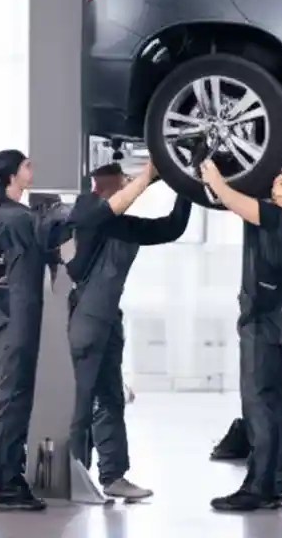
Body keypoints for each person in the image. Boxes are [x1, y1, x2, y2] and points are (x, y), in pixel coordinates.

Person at [66, 161, 193, 501]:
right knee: (79, 402)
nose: (129, 188)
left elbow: (171, 228)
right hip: (84, 320)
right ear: (102, 186)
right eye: (123, 183)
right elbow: (111, 205)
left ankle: (113, 476)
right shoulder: (85, 211)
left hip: (107, 320)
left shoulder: (122, 226)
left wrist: (185, 185)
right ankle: (72, 476)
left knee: (111, 397)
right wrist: (148, 177)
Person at [201, 158, 282, 512]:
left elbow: (230, 198)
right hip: (275, 323)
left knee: (259, 404)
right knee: (279, 403)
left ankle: (260, 486)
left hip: (262, 322)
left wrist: (213, 176)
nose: (276, 183)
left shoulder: (277, 217)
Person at [0, 149, 49, 511]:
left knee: (13, 395)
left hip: (7, 310)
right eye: (26, 165)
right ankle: (5, 483)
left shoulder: (3, 213)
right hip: (15, 313)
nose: (32, 169)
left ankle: (1, 476)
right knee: (15, 396)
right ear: (11, 175)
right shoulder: (16, 216)